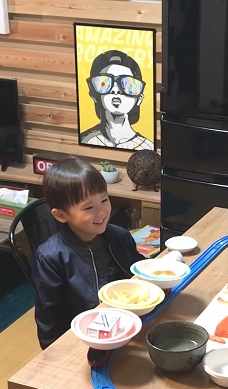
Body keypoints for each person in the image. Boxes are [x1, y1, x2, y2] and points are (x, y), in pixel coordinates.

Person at [31, 155, 144, 351]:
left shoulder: (120, 236)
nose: (101, 212)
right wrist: (54, 355)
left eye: (104, 200)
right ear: (61, 215)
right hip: (85, 341)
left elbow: (139, 275)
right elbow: (49, 319)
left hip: (127, 326)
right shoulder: (51, 257)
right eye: (89, 208)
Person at [79, 50, 155, 150]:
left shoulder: (148, 147)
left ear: (139, 98)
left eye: (128, 84)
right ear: (94, 95)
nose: (116, 90)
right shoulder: (86, 139)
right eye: (104, 83)